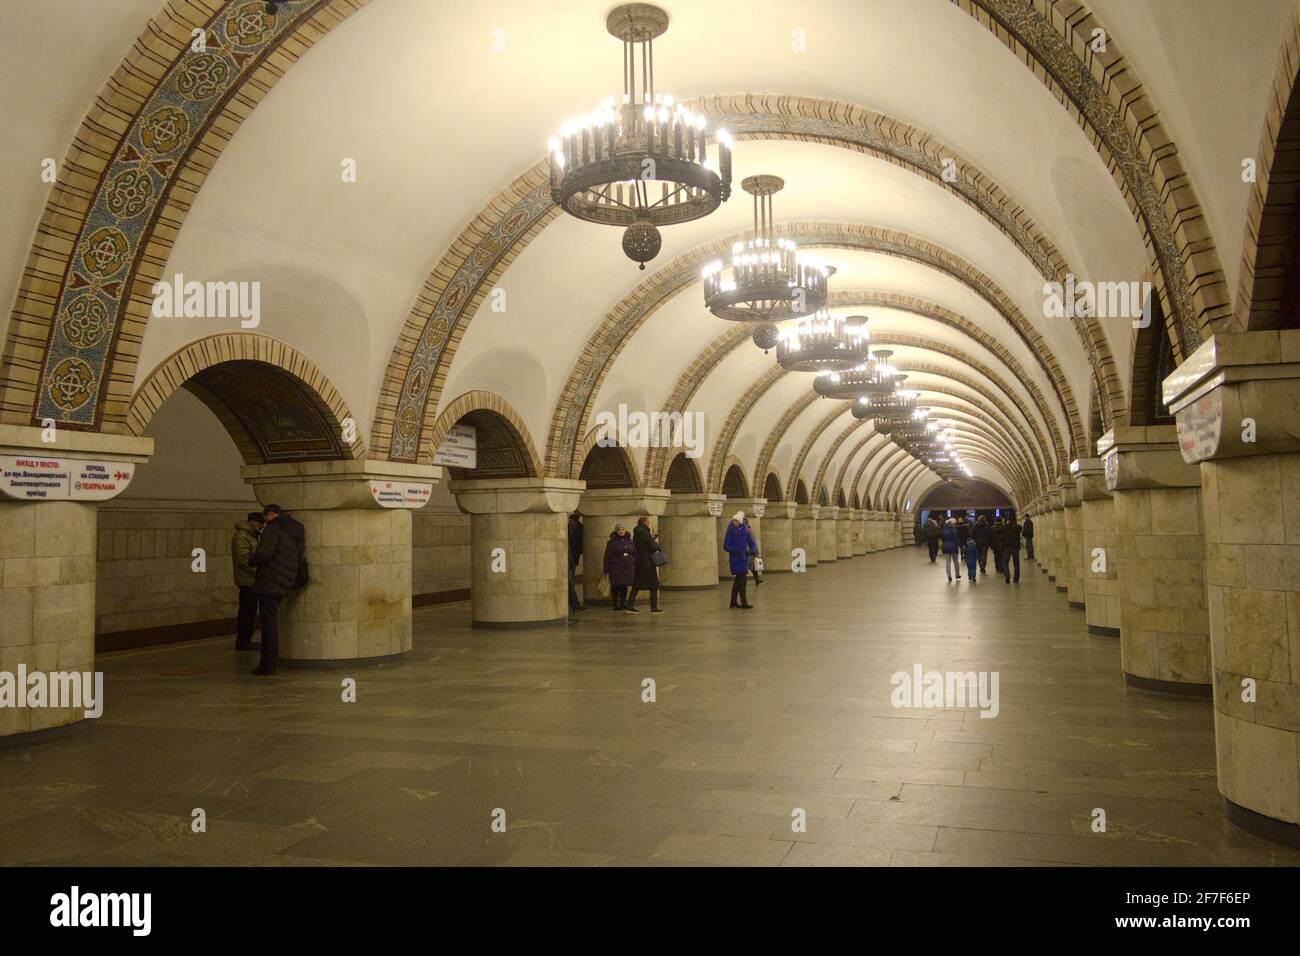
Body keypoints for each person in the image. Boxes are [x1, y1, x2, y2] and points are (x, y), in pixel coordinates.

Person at [247, 503, 306, 675]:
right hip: (287, 580)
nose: (265, 523)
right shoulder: (295, 529)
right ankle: (270, 661)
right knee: (272, 621)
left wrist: (252, 560)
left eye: (266, 519)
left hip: (270, 581)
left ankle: (268, 663)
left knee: (268, 624)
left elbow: (264, 553)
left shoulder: (273, 529)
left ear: (271, 515)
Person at [230, 512, 265, 651]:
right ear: (252, 522)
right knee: (246, 613)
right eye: (260, 523)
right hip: (247, 581)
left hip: (252, 580)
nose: (262, 526)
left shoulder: (251, 536)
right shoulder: (242, 537)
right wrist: (260, 572)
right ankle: (243, 641)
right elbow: (244, 561)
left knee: (249, 612)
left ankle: (246, 640)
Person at [627, 516, 664, 614]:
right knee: (654, 585)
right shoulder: (645, 533)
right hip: (647, 562)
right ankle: (654, 608)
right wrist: (655, 542)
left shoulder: (636, 534)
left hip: (639, 561)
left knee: (636, 585)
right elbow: (652, 548)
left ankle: (629, 605)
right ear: (646, 523)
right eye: (649, 522)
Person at [724, 512, 756, 610]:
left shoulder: (745, 531)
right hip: (735, 558)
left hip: (743, 558)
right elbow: (726, 546)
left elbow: (751, 542)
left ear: (741, 521)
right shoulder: (730, 531)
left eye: (737, 521)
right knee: (741, 581)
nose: (735, 522)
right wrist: (736, 550)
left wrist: (752, 549)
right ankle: (743, 603)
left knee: (739, 581)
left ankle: (733, 602)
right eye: (734, 520)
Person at [602, 524, 635, 611]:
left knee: (624, 586)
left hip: (627, 567)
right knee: (616, 586)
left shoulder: (629, 541)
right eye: (619, 529)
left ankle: (623, 603)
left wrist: (633, 561)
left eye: (623, 529)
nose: (621, 531)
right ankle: (616, 604)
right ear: (616, 531)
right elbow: (607, 556)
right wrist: (606, 569)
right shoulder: (612, 542)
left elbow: (634, 552)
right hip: (616, 567)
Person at [567, 511, 585, 612]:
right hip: (572, 558)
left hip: (570, 558)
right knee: (569, 583)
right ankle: (575, 604)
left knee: (569, 583)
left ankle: (574, 604)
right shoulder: (578, 527)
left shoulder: (572, 528)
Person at [743, 516, 762, 586]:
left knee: (747, 566)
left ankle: (744, 581)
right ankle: (757, 580)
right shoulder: (749, 529)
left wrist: (748, 550)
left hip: (750, 551)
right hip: (753, 550)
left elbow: (748, 542)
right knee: (753, 566)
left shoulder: (746, 530)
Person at [940, 517, 961, 582]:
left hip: (946, 546)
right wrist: (959, 545)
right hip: (953, 546)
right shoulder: (954, 530)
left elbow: (942, 538)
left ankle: (949, 576)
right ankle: (957, 575)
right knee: (956, 561)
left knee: (948, 562)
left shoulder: (943, 530)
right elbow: (956, 539)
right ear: (952, 524)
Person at [1003, 517, 1023, 583]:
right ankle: (1016, 579)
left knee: (1005, 563)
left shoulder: (1005, 527)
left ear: (1008, 521)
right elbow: (1020, 529)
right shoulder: (1018, 527)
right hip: (1015, 548)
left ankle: (1007, 576)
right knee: (1016, 564)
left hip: (1007, 547)